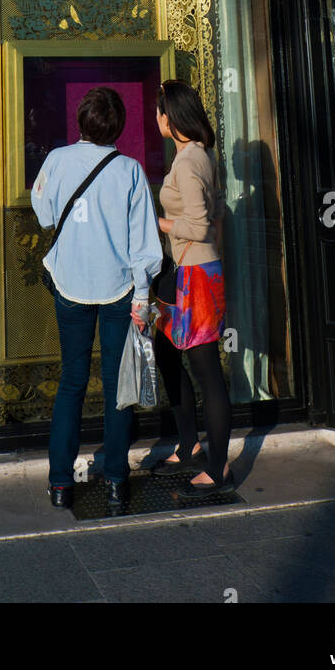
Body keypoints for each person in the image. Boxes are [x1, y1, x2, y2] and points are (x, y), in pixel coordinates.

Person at [32, 86, 162, 515]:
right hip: (120, 291)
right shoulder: (130, 171)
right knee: (116, 389)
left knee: (71, 383)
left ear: (80, 121)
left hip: (70, 286)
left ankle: (60, 484)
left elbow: (45, 212)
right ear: (118, 126)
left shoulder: (56, 160)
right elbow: (145, 244)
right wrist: (143, 299)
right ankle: (116, 483)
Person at [132, 78, 236, 498]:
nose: (155, 117)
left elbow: (198, 224)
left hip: (196, 275)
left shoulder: (191, 161)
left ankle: (217, 468)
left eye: (159, 111)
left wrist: (151, 223)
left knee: (207, 370)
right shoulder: (192, 156)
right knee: (166, 353)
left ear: (170, 118)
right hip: (186, 272)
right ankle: (189, 443)